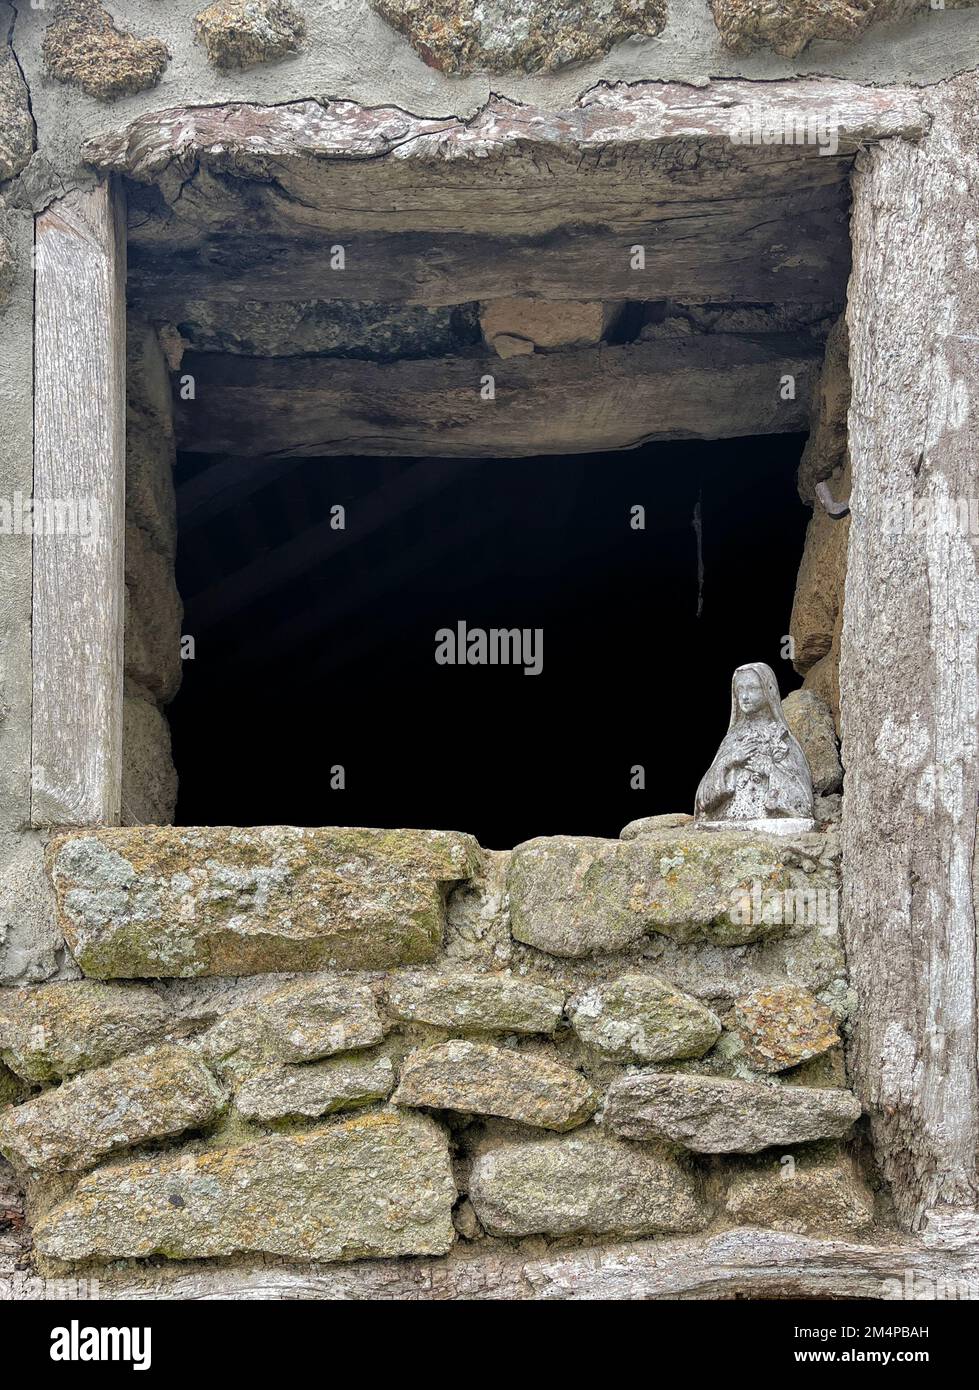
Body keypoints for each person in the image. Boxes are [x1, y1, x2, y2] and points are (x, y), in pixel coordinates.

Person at [695, 662, 813, 825]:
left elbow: (803, 804)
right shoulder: (731, 740)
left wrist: (769, 769)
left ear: (768, 690)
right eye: (739, 690)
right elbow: (703, 803)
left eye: (752, 688)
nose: (744, 696)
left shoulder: (781, 738)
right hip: (727, 825)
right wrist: (728, 761)